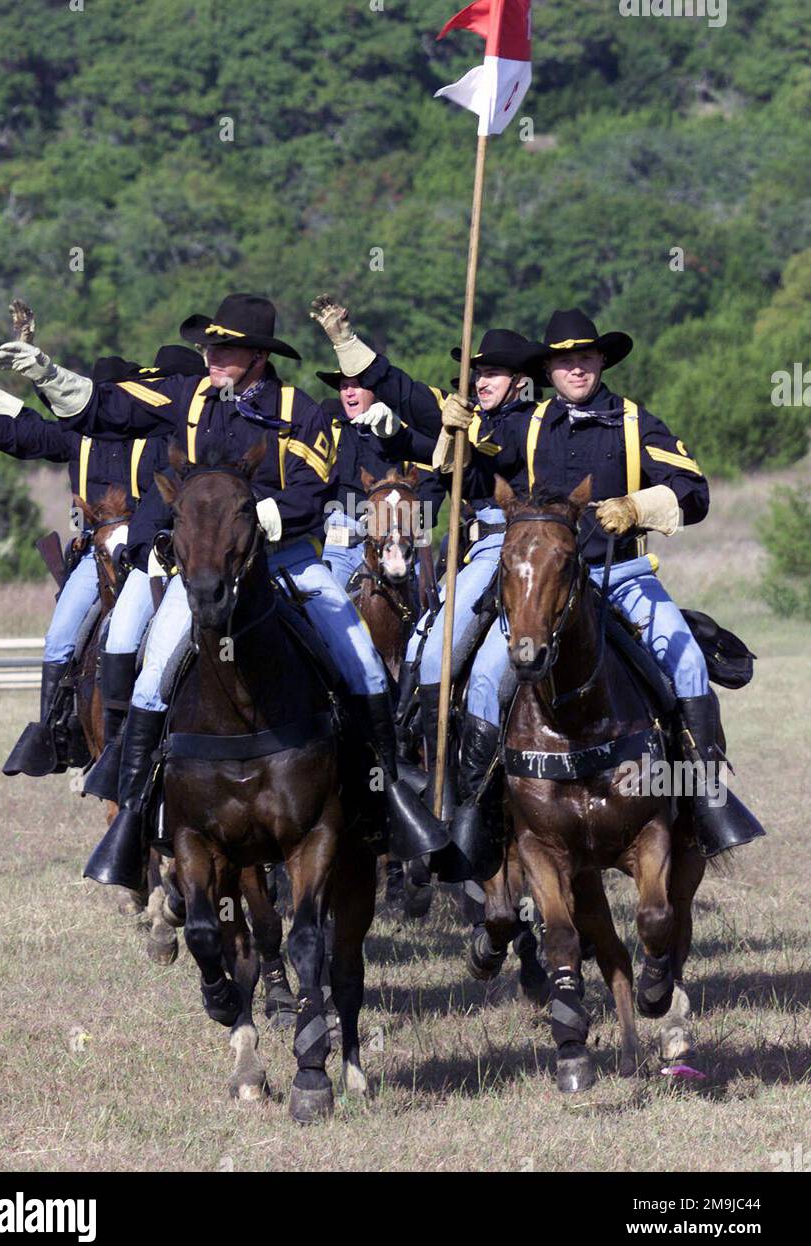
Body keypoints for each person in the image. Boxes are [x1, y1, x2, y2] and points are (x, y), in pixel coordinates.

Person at [0, 294, 448, 889]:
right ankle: (134, 814)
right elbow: (106, 408)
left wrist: (254, 524)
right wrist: (46, 374)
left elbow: (312, 491)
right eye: (209, 346)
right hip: (204, 571)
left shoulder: (302, 410)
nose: (211, 356)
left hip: (287, 562)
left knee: (363, 665)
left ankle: (387, 805)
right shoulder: (188, 398)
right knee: (154, 675)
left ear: (258, 355)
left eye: (224, 348)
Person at [491, 307, 765, 858]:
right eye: (565, 362)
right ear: (550, 369)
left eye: (586, 358)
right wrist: (451, 424)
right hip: (540, 587)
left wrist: (636, 504)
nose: (577, 370)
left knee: (686, 661)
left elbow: (695, 491)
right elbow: (467, 458)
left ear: (601, 362)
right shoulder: (526, 424)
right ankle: (478, 803)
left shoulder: (638, 423)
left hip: (621, 576)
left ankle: (703, 799)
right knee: (479, 675)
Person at [310, 296, 541, 875]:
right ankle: (420, 770)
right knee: (424, 647)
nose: (480, 381)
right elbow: (422, 424)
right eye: (476, 372)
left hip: (533, 546)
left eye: (490, 373)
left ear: (519, 382)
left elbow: (431, 473)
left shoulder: (542, 424)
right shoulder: (341, 429)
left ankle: (697, 776)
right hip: (388, 542)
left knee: (675, 656)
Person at [0, 345, 203, 776]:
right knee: (61, 635)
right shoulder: (79, 435)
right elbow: (27, 434)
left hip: (150, 547)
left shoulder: (164, 438)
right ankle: (54, 731)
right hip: (94, 550)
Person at [316, 366, 444, 590]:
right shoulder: (328, 424)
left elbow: (430, 487)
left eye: (357, 385)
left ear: (376, 390)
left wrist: (408, 525)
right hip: (342, 536)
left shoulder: (406, 430)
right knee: (326, 600)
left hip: (399, 536)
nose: (349, 392)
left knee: (428, 606)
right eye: (344, 386)